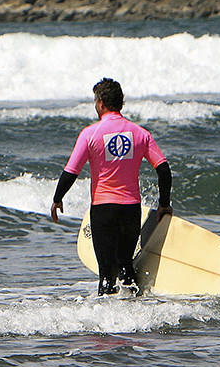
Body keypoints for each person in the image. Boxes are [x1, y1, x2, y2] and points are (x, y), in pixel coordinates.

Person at [50, 78, 172, 296]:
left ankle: (108, 324)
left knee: (106, 273)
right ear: (121, 104)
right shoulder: (140, 134)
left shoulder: (90, 134)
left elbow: (71, 171)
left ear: (101, 103)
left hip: (103, 209)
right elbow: (163, 169)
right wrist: (164, 204)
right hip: (131, 209)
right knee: (126, 266)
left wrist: (58, 198)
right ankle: (136, 318)